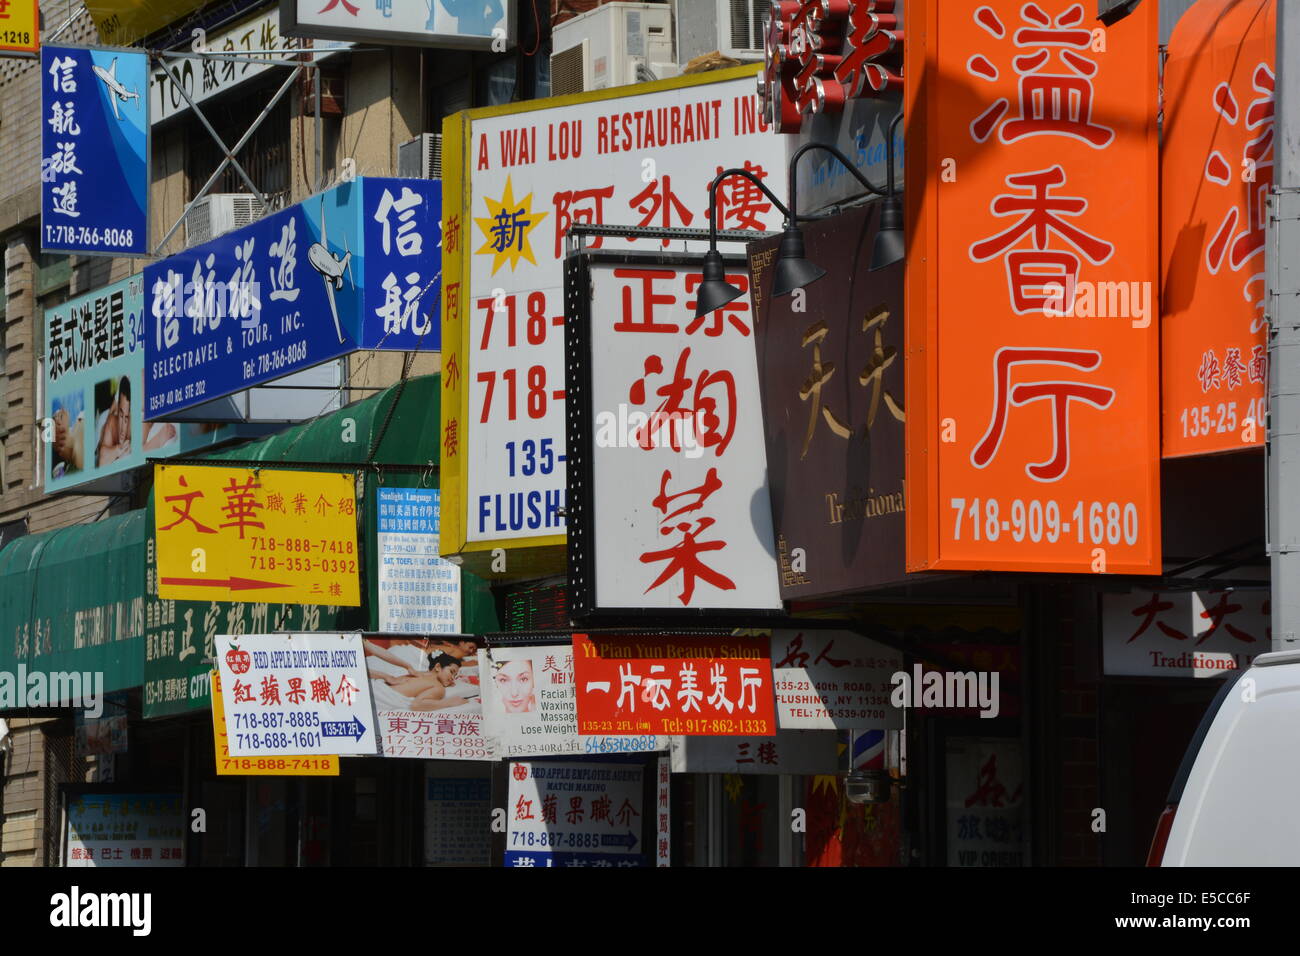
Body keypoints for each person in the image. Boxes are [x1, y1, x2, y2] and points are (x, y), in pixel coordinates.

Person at [369, 652, 474, 712]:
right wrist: (448, 702)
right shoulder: (436, 685)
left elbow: (416, 704)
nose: (453, 678)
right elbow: (416, 705)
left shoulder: (429, 680)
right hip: (378, 689)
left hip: (378, 694)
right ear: (437, 667)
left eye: (455, 676)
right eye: (452, 672)